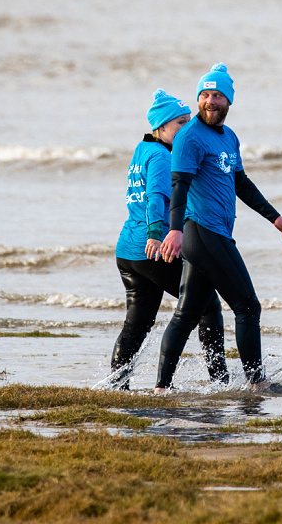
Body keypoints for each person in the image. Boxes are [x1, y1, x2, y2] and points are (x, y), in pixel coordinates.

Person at [155, 63, 282, 392]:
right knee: (248, 306)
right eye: (204, 95)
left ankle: (161, 387)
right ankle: (256, 383)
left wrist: (275, 218)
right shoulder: (190, 136)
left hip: (210, 235)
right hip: (203, 232)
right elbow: (179, 185)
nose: (210, 101)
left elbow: (241, 183)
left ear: (228, 101)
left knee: (187, 314)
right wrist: (174, 230)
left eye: (217, 95)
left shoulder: (229, 137)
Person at [110, 89, 228, 390]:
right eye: (180, 123)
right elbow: (155, 197)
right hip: (154, 248)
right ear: (161, 126)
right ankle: (220, 381)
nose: (187, 128)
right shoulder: (162, 156)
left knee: (138, 323)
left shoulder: (142, 149)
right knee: (207, 305)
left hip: (128, 251)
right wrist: (154, 235)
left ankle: (117, 385)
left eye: (189, 121)